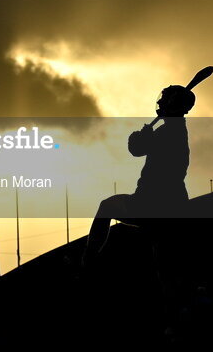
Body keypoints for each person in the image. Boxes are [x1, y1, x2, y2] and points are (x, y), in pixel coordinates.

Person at [83, 84, 195, 266]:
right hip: (175, 203)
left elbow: (136, 149)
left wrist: (138, 137)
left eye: (165, 98)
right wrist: (145, 137)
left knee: (106, 207)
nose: (160, 101)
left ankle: (88, 260)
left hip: (150, 202)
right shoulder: (175, 130)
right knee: (164, 262)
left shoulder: (168, 133)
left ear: (173, 104)